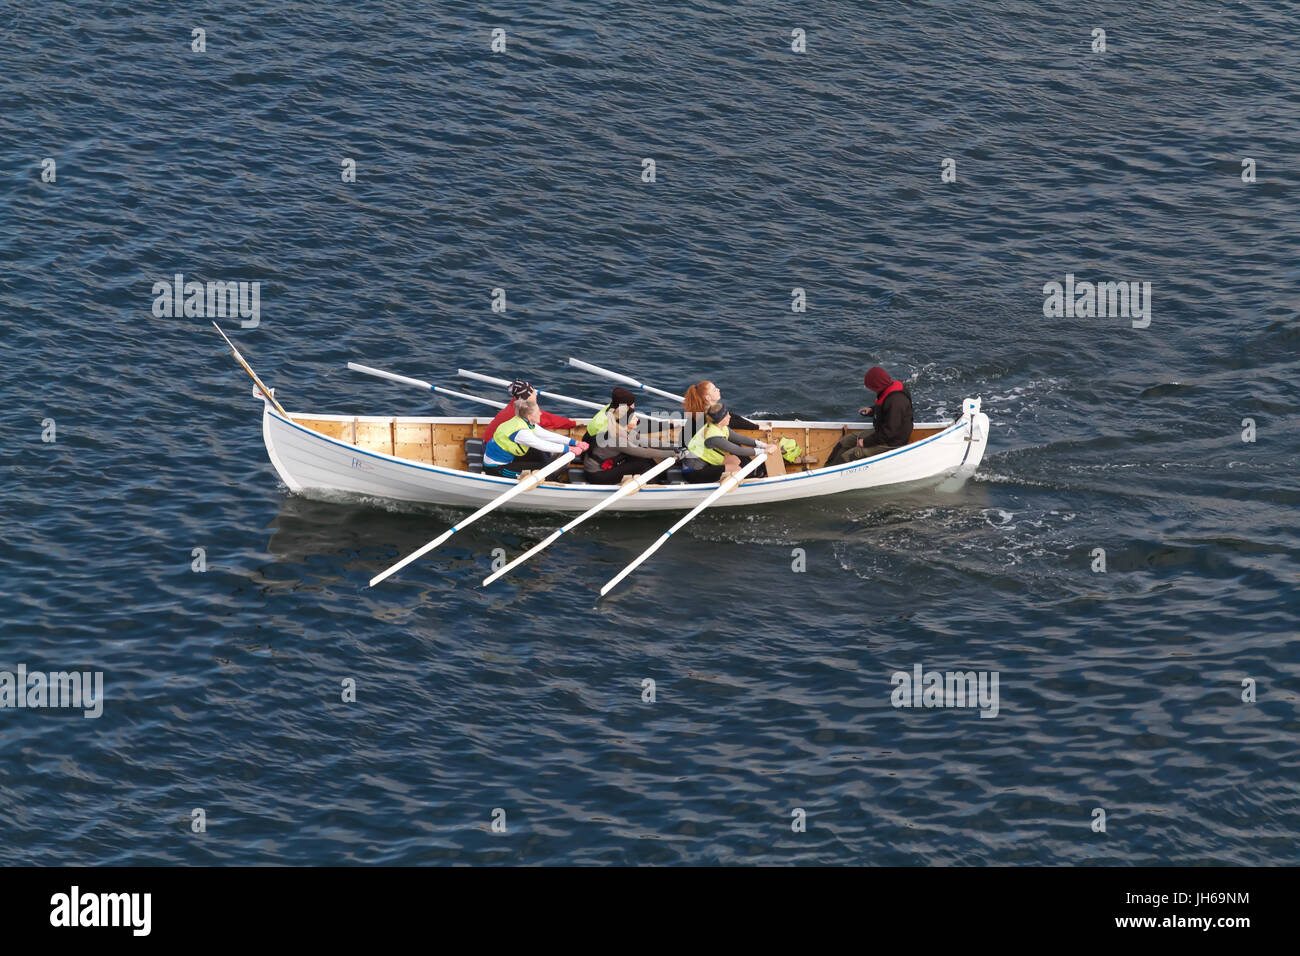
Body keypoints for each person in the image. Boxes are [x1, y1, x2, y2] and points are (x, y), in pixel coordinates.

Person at [823, 366, 914, 467]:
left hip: (892, 442)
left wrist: (865, 442)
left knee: (849, 456)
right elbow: (886, 408)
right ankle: (827, 467)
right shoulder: (888, 389)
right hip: (881, 433)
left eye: (871, 387)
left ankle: (831, 476)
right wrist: (872, 410)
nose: (871, 389)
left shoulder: (897, 401)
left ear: (877, 385)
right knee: (845, 442)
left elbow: (890, 433)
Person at [583, 387, 677, 484]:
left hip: (605, 456)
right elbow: (645, 452)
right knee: (642, 463)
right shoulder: (616, 437)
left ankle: (660, 476)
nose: (637, 419)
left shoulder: (616, 418)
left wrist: (675, 447)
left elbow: (648, 441)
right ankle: (657, 485)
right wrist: (673, 454)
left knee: (642, 456)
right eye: (634, 417)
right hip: (596, 473)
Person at [483, 398, 588, 477]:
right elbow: (542, 444)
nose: (541, 413)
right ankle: (549, 479)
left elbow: (546, 435)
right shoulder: (521, 432)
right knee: (546, 471)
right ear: (529, 416)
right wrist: (569, 449)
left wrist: (574, 442)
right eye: (537, 412)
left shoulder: (523, 421)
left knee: (543, 457)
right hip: (497, 468)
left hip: (508, 457)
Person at [680, 402, 777, 483]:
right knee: (737, 470)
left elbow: (739, 438)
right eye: (727, 415)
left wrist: (764, 445)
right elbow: (738, 450)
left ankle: (724, 477)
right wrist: (764, 451)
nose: (730, 416)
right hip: (694, 472)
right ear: (720, 420)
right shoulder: (714, 437)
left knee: (735, 460)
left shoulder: (718, 426)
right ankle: (724, 483)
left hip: (703, 463)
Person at [482, 379, 577, 443]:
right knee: (543, 458)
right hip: (492, 447)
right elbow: (547, 420)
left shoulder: (516, 404)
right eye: (532, 392)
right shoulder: (522, 412)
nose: (536, 393)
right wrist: (572, 423)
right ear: (525, 397)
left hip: (488, 441)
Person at [679, 380, 759, 445]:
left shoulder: (703, 411)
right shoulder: (711, 415)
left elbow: (732, 416)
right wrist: (755, 427)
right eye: (714, 390)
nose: (718, 389)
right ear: (708, 398)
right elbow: (733, 421)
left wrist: (754, 426)